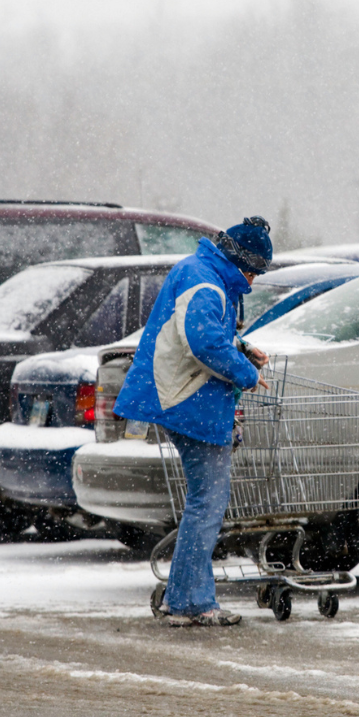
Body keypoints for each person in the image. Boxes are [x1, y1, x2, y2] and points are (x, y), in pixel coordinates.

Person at [115, 216, 272, 627]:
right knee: (208, 503)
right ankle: (190, 602)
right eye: (253, 271)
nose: (253, 281)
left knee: (203, 502)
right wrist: (247, 374)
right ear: (238, 260)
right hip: (187, 400)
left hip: (178, 398)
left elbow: (202, 332)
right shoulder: (206, 283)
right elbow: (203, 342)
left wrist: (242, 347)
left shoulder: (201, 272)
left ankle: (183, 598)